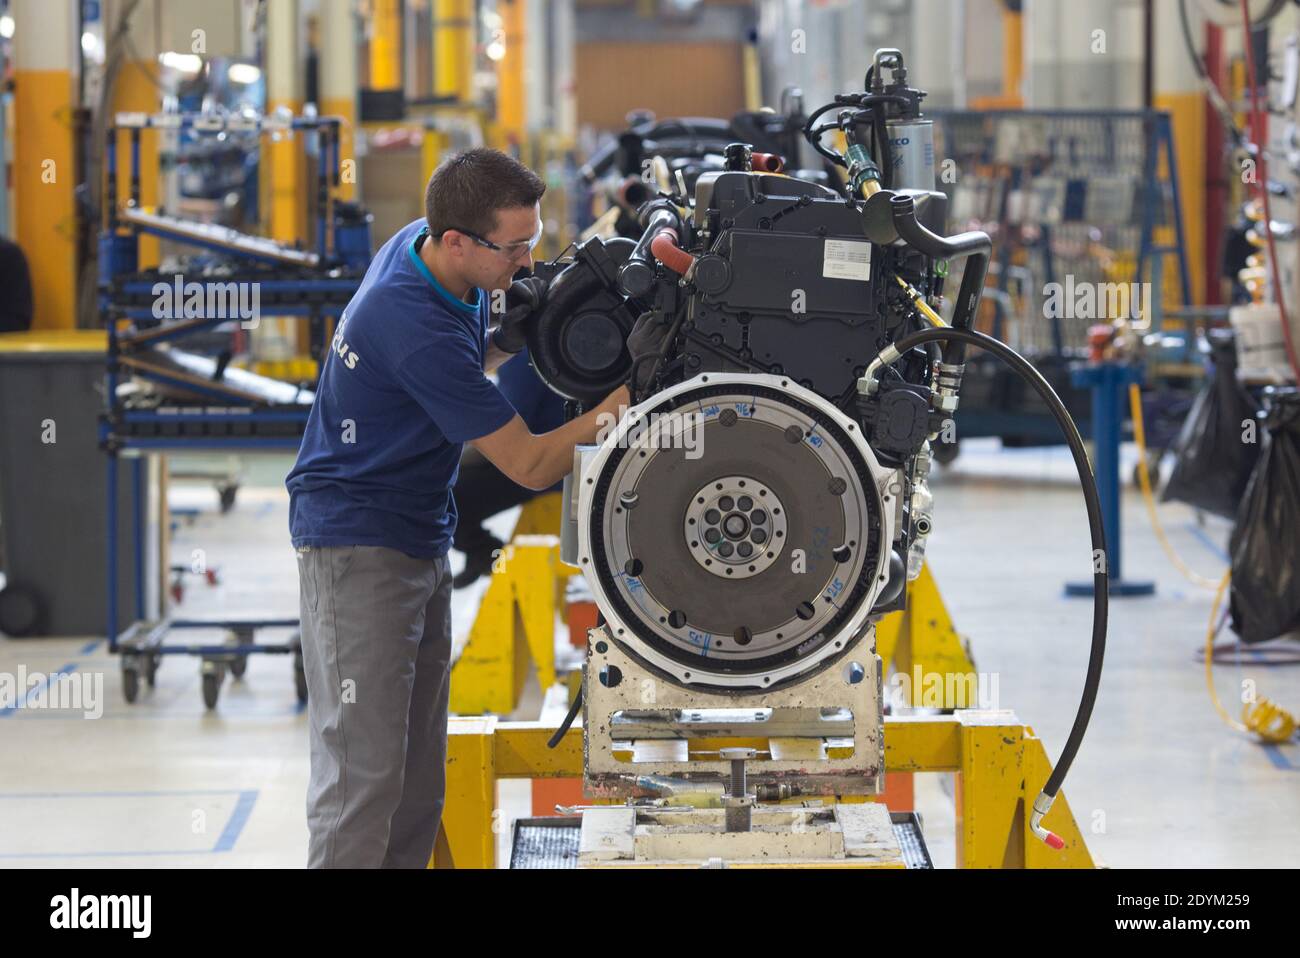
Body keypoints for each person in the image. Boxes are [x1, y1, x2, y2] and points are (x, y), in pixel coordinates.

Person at [285, 148, 629, 868]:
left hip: (417, 532)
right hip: (357, 546)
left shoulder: (420, 245)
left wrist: (522, 328)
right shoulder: (412, 323)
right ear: (457, 242)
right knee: (361, 782)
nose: (527, 263)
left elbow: (478, 346)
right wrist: (619, 408)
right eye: (515, 248)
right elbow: (530, 462)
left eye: (534, 241)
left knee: (416, 783)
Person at [451, 348, 566, 588]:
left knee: (444, 496)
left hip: (540, 464)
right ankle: (481, 554)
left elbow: (503, 423)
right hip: (552, 454)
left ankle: (487, 555)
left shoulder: (523, 354)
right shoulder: (541, 347)